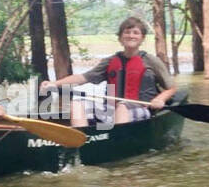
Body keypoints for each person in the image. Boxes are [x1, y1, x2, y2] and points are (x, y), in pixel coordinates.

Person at [40, 16, 176, 127]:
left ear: (142, 38)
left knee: (123, 106)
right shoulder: (110, 61)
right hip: (111, 110)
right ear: (120, 37)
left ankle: (117, 142)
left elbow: (171, 88)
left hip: (142, 110)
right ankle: (82, 141)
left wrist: (160, 99)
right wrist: (55, 83)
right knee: (77, 102)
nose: (131, 36)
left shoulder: (151, 61)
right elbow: (83, 77)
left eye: (135, 33)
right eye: (127, 32)